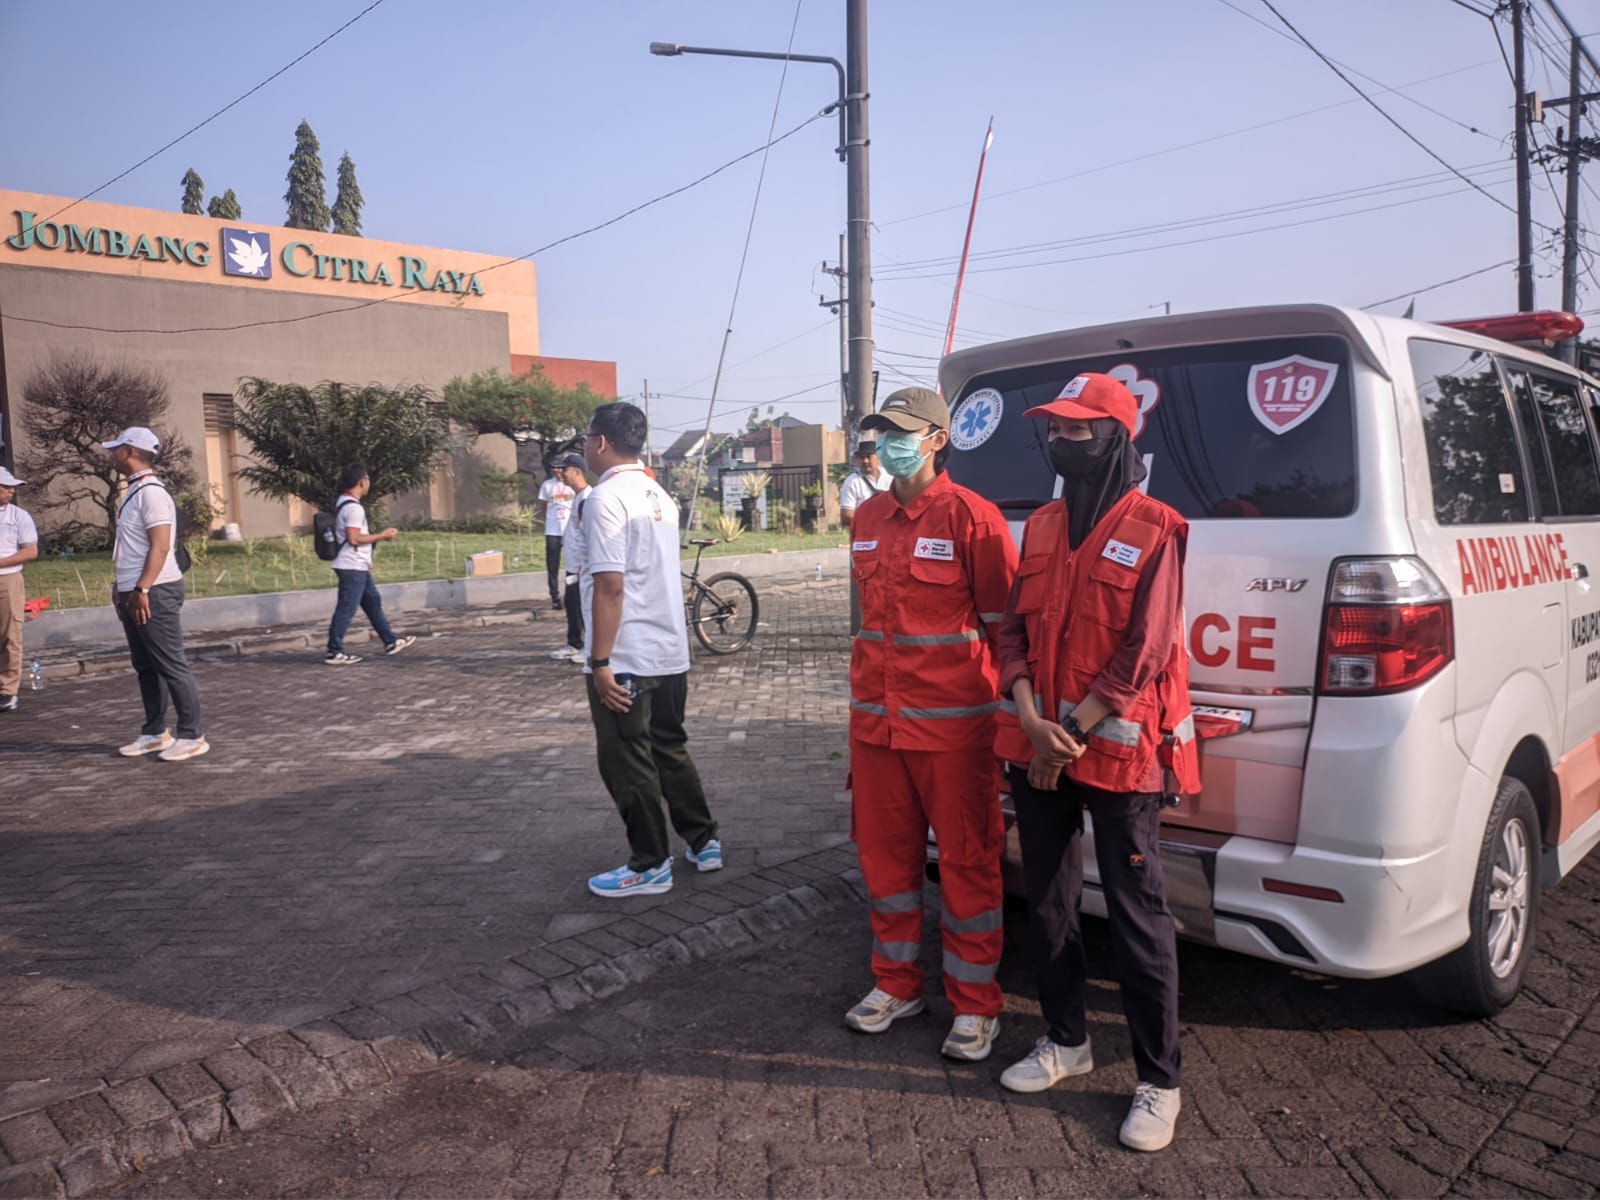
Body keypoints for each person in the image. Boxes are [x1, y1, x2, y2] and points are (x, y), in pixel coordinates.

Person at [992, 373, 1201, 1153]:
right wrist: (1027, 715)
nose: (1062, 440)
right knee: (1047, 902)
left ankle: (1158, 1083)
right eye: (1055, 428)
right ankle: (1065, 1040)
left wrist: (1064, 732)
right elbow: (1012, 629)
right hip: (1038, 740)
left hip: (1113, 753)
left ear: (1117, 437)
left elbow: (1144, 652)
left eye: (1079, 430)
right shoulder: (1041, 524)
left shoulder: (1158, 527)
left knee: (1139, 918)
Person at [843, 386, 1018, 1063]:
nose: (889, 441)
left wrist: (1008, 726)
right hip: (878, 729)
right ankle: (896, 985)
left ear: (937, 439)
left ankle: (975, 1006)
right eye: (882, 431)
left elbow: (1007, 634)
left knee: (970, 864)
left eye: (903, 431)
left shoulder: (975, 519)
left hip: (954, 734)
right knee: (886, 862)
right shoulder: (866, 517)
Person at [580, 401, 721, 898]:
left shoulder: (606, 498)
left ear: (600, 442)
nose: (583, 448)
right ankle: (703, 841)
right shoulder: (659, 494)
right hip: (669, 650)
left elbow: (611, 586)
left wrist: (600, 662)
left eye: (585, 439)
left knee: (627, 759)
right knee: (668, 747)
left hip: (628, 656)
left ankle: (649, 862)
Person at [104, 426, 209, 762]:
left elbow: (160, 546)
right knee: (146, 665)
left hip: (154, 590)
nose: (113, 453)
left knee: (170, 663)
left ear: (131, 451)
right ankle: (154, 732)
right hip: (134, 589)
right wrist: (121, 588)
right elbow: (132, 548)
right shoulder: (133, 491)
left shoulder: (152, 493)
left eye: (117, 448)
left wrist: (142, 588)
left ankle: (192, 735)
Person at [324, 463, 416, 665]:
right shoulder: (354, 509)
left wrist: (368, 559)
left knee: (372, 602)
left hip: (358, 565)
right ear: (361, 482)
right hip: (352, 566)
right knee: (346, 608)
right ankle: (334, 651)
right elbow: (354, 538)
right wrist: (382, 536)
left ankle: (390, 641)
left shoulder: (342, 501)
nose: (369, 483)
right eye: (367, 479)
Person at [0, 466, 40, 712]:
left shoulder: (19, 516)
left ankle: (7, 689)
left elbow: (30, 550)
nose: (11, 491)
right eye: (5, 487)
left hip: (8, 580)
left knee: (9, 635)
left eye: (12, 487)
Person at [546, 453, 592, 664]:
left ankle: (590, 648)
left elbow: (590, 537)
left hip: (583, 567)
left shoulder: (588, 499)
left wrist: (584, 565)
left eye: (564, 470)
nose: (561, 474)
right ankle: (575, 643)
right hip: (573, 565)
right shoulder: (577, 498)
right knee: (573, 604)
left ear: (577, 471)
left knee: (587, 608)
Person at [537, 460, 577, 612]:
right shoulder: (547, 485)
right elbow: (542, 504)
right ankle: (554, 596)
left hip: (569, 529)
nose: (557, 471)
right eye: (554, 468)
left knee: (572, 562)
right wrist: (548, 518)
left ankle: (571, 594)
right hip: (553, 529)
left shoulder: (571, 485)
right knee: (552, 565)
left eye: (560, 468)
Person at [838, 440, 891, 531]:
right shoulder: (852, 481)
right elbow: (846, 516)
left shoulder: (890, 477)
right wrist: (873, 522)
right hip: (865, 534)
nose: (865, 461)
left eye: (869, 457)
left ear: (878, 457)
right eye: (862, 458)